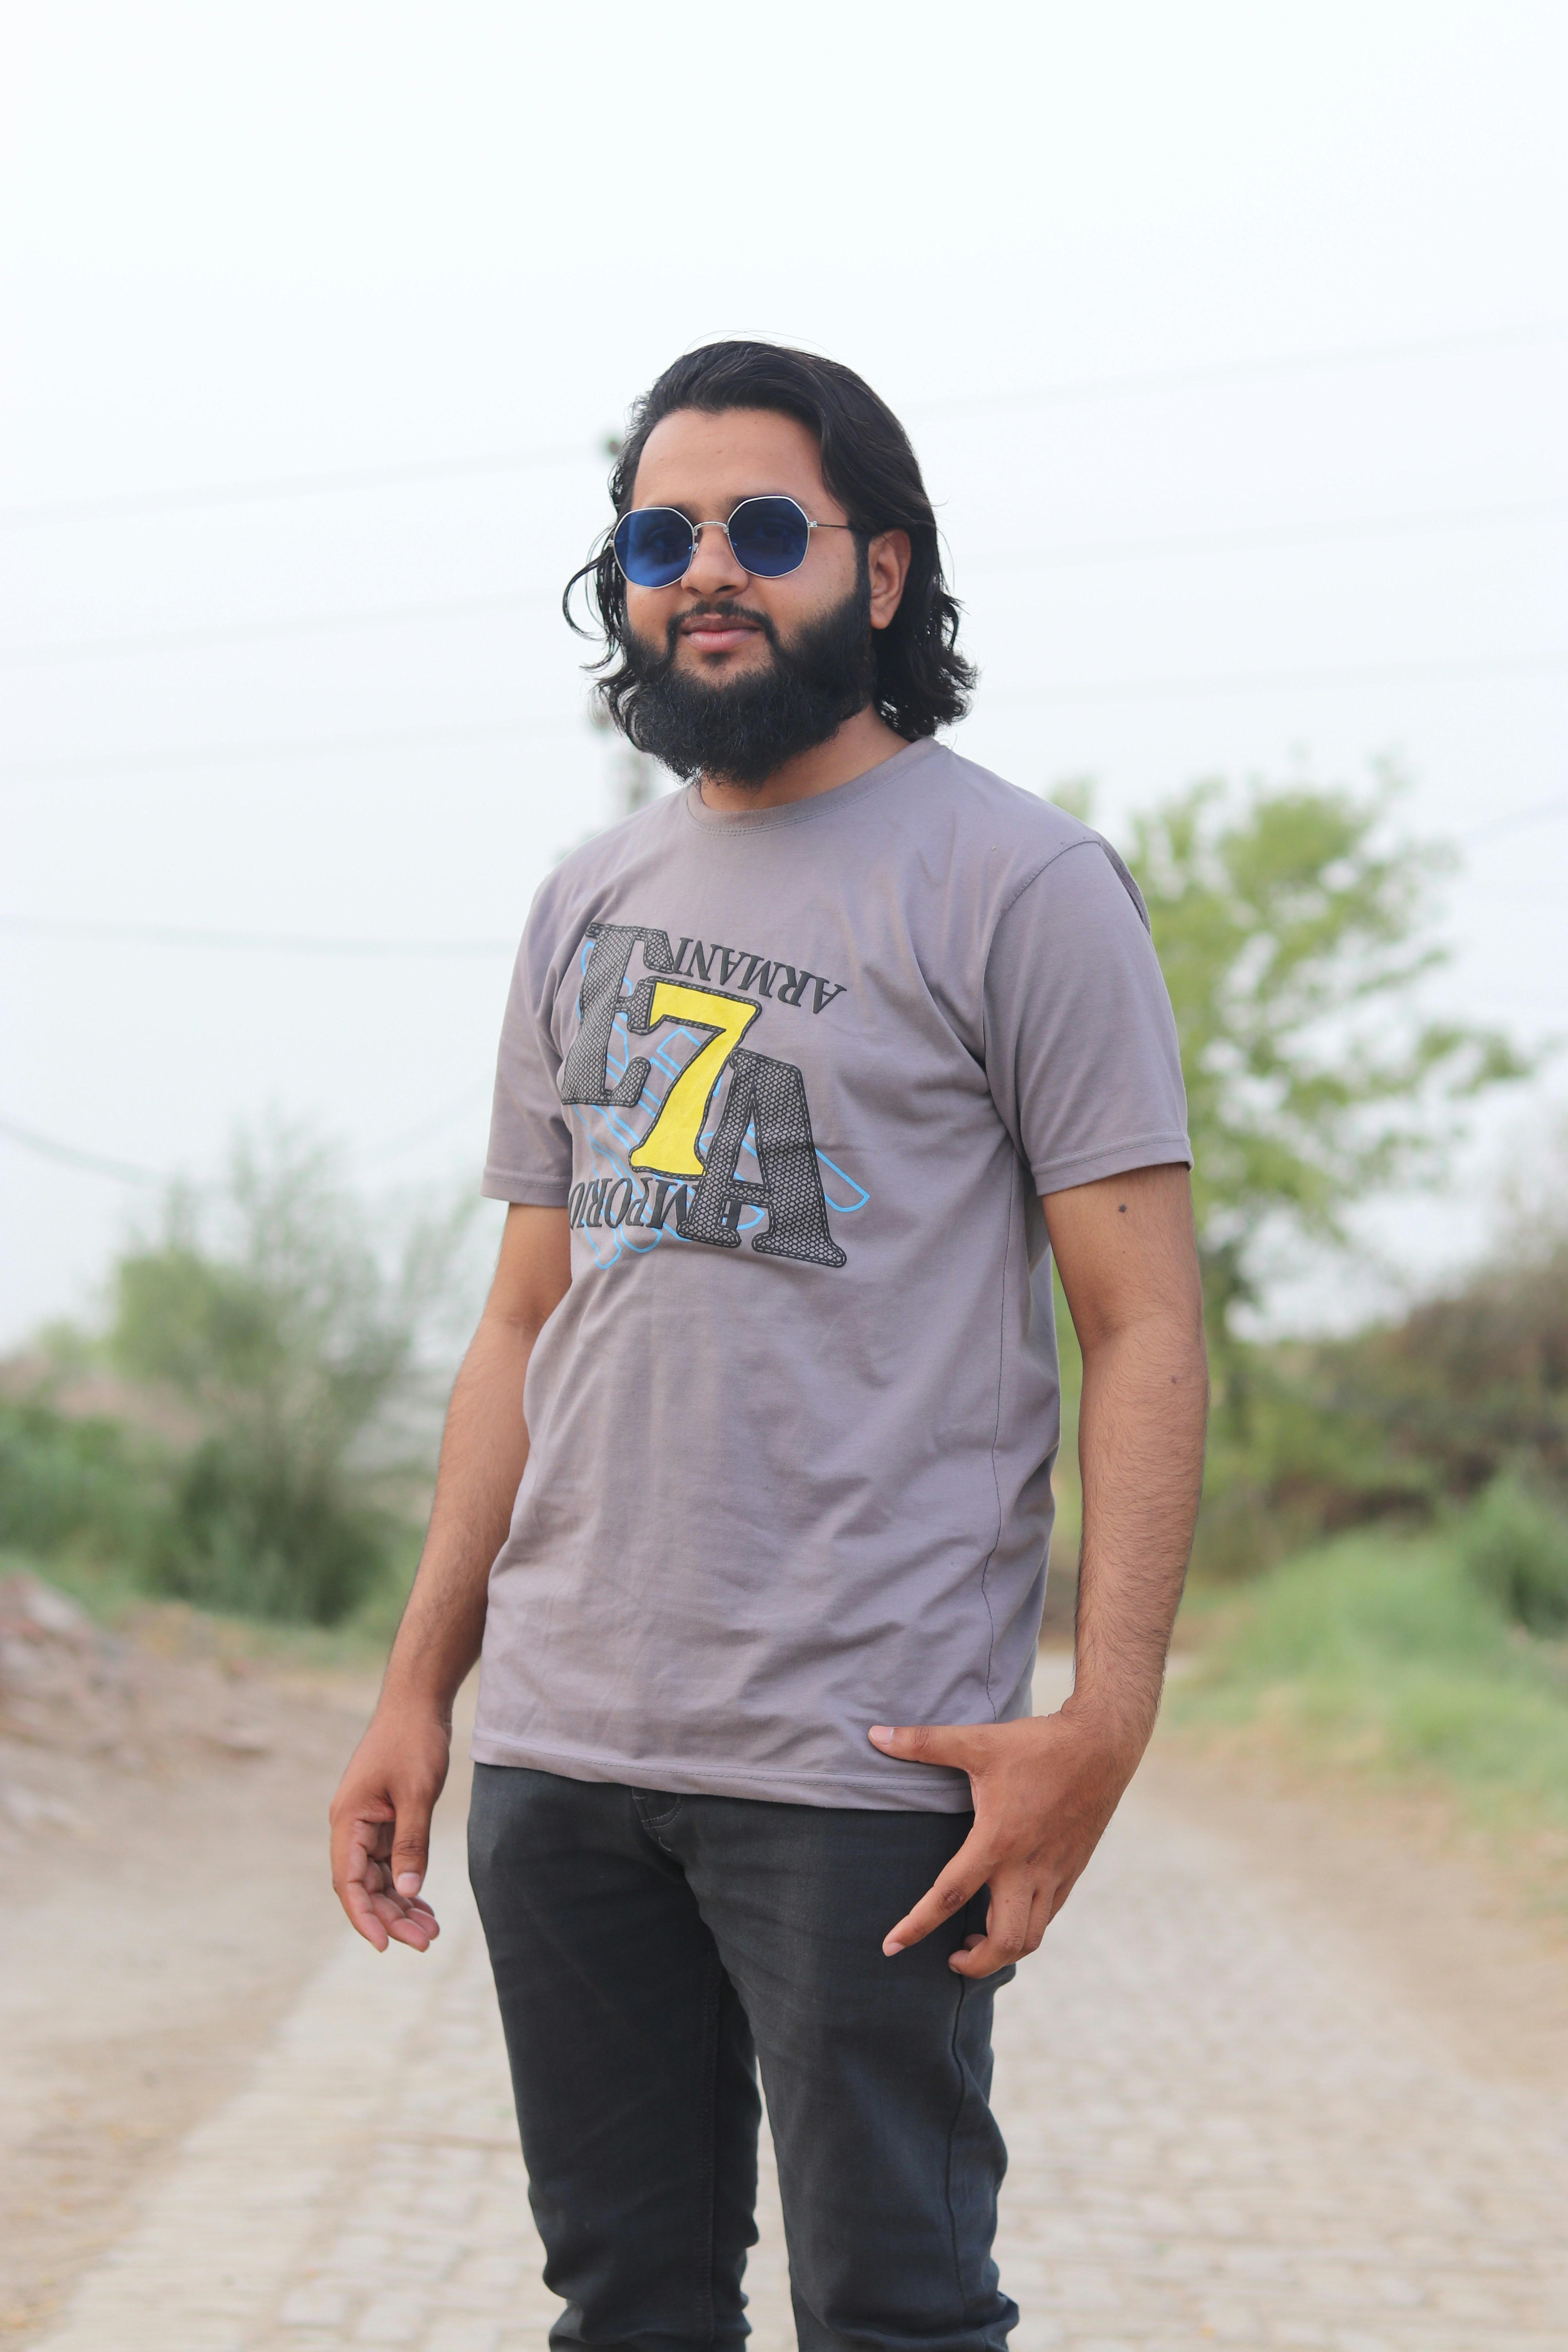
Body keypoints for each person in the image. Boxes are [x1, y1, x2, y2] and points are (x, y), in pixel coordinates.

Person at [329, 340, 1207, 2351]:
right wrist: (416, 1690)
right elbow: (525, 1323)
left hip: (865, 1761)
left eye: (762, 529)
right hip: (565, 1752)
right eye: (660, 535)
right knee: (627, 2301)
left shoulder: (1024, 884)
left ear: (880, 572)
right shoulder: (582, 901)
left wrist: (1107, 1718)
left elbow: (1143, 1325)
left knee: (896, 2308)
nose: (703, 569)